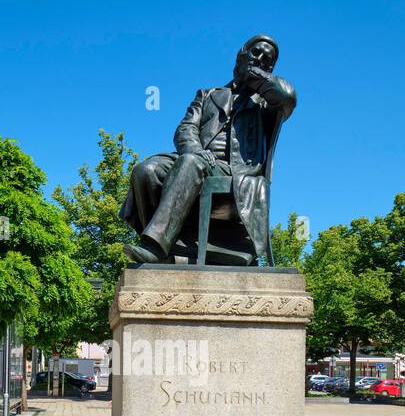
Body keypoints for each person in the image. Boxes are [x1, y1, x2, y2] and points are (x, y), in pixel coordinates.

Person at [121, 35, 297, 266]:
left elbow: (288, 97)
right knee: (147, 170)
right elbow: (185, 128)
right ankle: (171, 245)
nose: (261, 60)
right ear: (241, 55)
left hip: (236, 173)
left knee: (190, 163)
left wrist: (255, 75)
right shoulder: (208, 95)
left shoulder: (266, 103)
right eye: (256, 53)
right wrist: (194, 149)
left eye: (268, 59)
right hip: (197, 161)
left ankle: (154, 246)